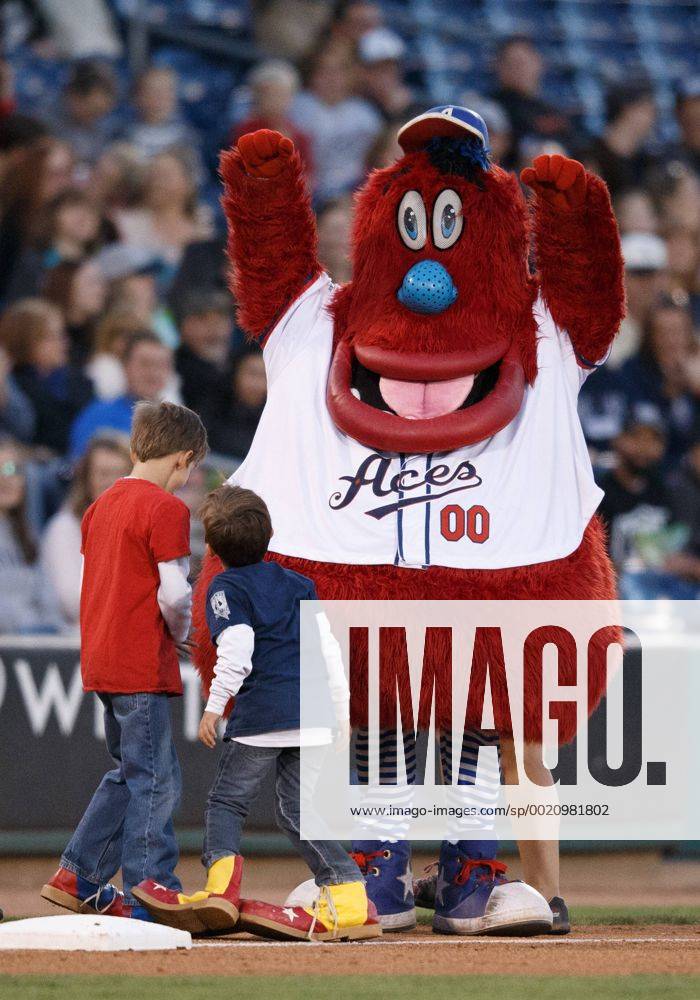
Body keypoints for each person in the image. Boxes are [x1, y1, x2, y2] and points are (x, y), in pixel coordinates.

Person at [134, 485, 379, 942]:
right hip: (314, 713)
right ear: (270, 534)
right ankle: (348, 896)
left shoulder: (225, 587)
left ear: (211, 547)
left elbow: (237, 649)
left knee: (227, 801)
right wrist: (341, 709)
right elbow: (327, 647)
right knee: (299, 810)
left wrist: (212, 707)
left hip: (263, 717)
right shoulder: (297, 583)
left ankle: (219, 889)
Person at [41, 400, 208, 919]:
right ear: (184, 458)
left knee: (129, 772)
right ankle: (151, 886)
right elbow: (174, 593)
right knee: (157, 778)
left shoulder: (99, 506)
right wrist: (186, 636)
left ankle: (78, 872)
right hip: (141, 661)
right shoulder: (166, 508)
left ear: (136, 448)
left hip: (102, 657)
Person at [41, 434, 132, 625]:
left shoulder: (139, 527)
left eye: (120, 474)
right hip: (75, 641)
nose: (113, 483)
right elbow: (73, 601)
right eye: (103, 474)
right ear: (86, 480)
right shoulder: (65, 528)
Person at [291, 42, 382, 202]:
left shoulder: (367, 114)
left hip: (355, 192)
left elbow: (377, 161)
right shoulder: (296, 108)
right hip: (306, 193)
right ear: (312, 75)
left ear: (350, 75)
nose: (331, 78)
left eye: (339, 71)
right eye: (324, 71)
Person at [0, 298, 93, 454]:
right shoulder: (14, 386)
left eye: (62, 335)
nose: (64, 342)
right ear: (27, 341)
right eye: (53, 336)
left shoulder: (79, 382)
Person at [70, 331, 177, 460]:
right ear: (125, 366)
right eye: (145, 364)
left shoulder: (178, 421)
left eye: (161, 365)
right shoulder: (98, 415)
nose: (153, 373)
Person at [0, 436, 64, 633]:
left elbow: (49, 602)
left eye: (12, 470)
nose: (5, 478)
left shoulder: (28, 536)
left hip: (35, 646)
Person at [491, 36, 570, 166]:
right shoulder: (490, 107)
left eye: (524, 62)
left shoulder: (550, 110)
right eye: (513, 63)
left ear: (538, 63)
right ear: (500, 68)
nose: (520, 69)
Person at [231, 61, 313, 183]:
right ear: (257, 96)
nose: (275, 101)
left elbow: (309, 174)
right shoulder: (244, 131)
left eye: (281, 95)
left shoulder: (300, 135)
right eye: (269, 94)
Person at [124, 67, 202, 168]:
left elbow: (196, 178)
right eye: (154, 91)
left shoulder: (188, 138)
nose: (162, 98)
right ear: (138, 96)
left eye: (168, 90)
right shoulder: (119, 133)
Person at [175, 289, 234, 418]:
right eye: (203, 320)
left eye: (221, 320)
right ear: (184, 325)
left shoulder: (238, 365)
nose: (214, 330)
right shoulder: (174, 368)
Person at [52, 60, 119, 168]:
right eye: (94, 110)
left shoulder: (104, 125)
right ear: (74, 97)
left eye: (102, 112)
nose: (98, 117)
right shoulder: (47, 124)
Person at [207, 345, 267, 460]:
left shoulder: (277, 418)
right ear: (235, 373)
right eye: (252, 374)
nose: (257, 384)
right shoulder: (213, 410)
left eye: (264, 376)